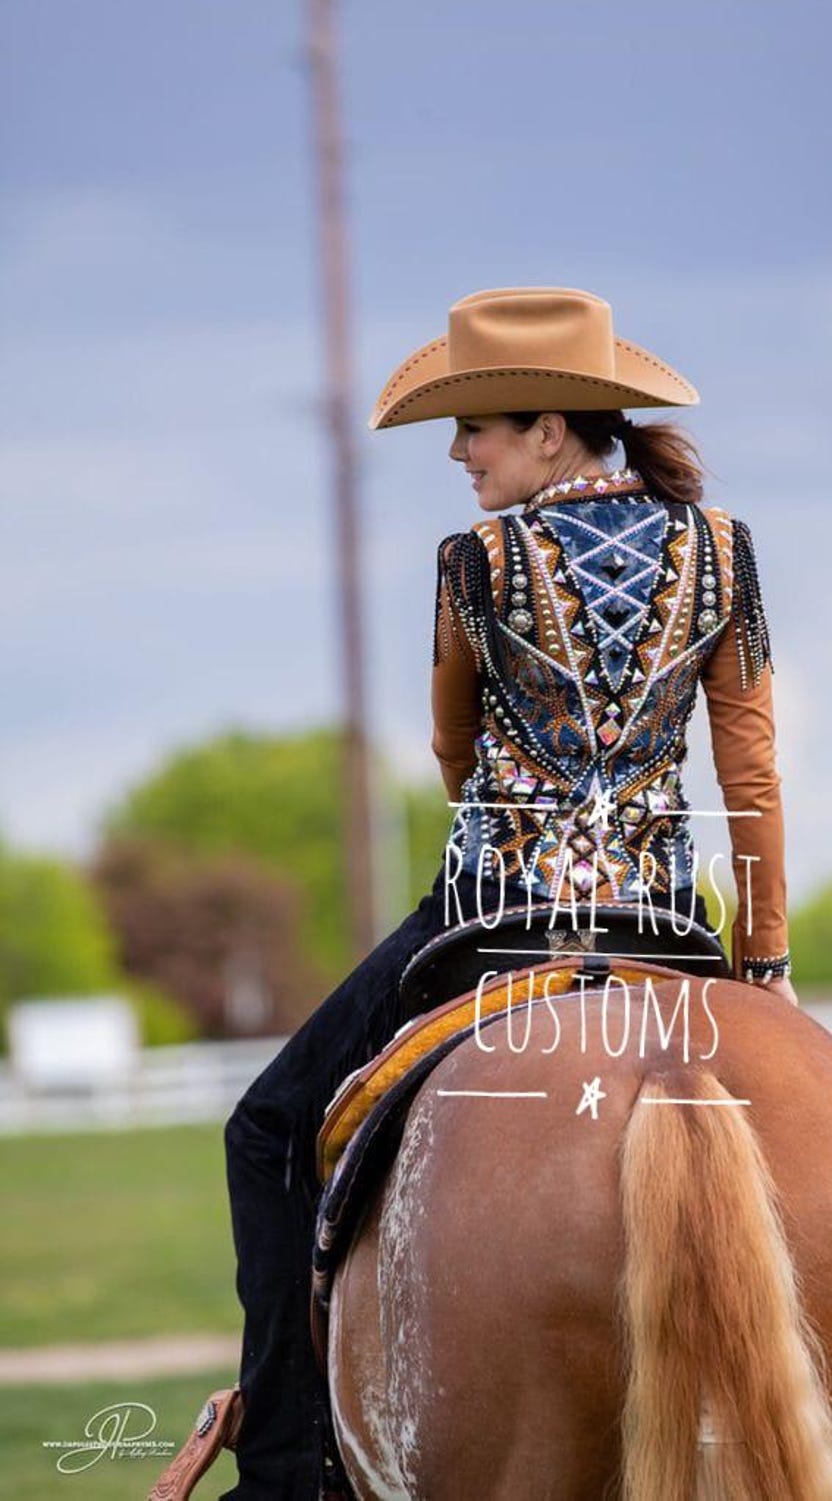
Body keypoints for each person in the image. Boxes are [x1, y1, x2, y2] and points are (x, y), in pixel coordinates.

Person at [217, 286, 796, 1499]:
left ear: (548, 427)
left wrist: (517, 819)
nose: (458, 453)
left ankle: (279, 1471)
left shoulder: (474, 564)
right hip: (668, 921)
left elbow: (451, 747)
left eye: (475, 426)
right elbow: (750, 774)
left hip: (492, 910)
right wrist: (767, 960)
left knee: (265, 1127)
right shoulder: (725, 550)